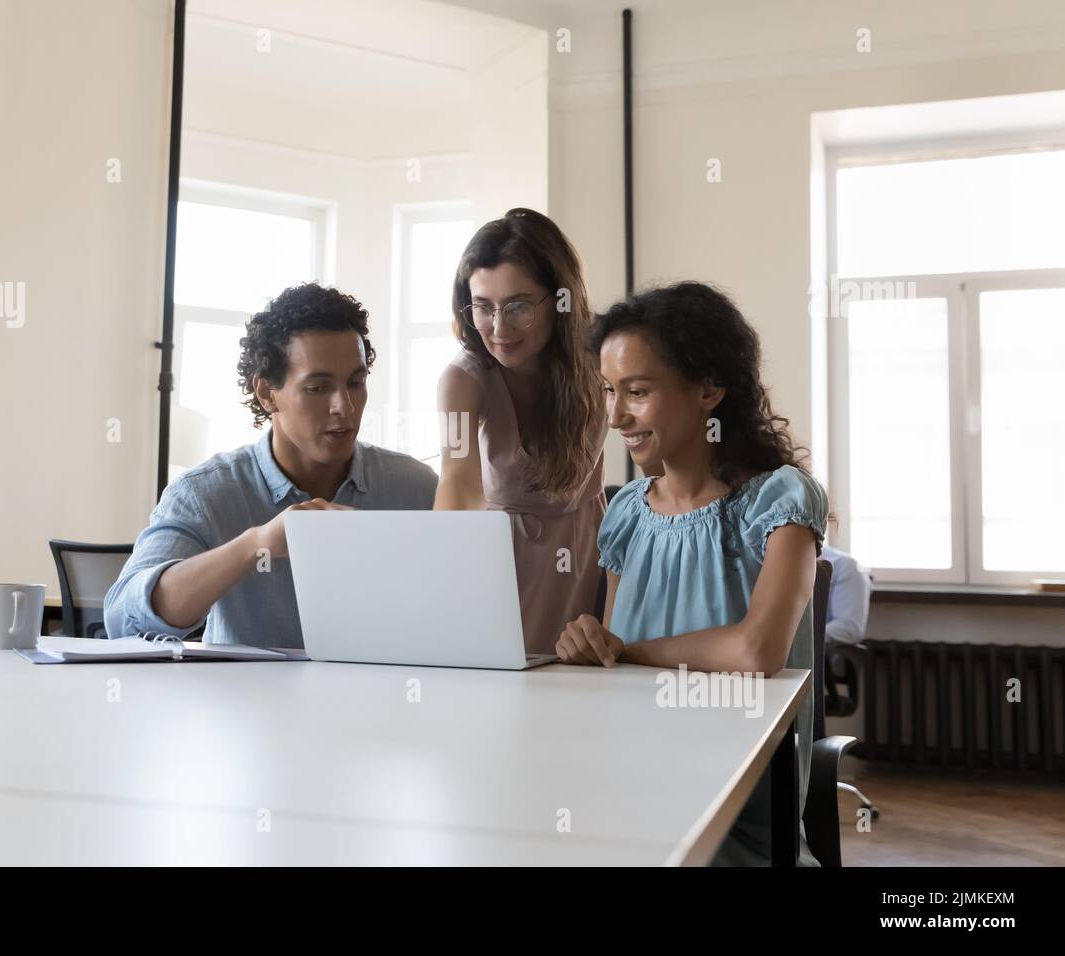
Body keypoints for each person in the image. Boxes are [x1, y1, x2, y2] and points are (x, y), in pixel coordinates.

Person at [556, 281, 829, 866]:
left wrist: (626, 652)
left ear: (709, 389)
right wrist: (589, 645)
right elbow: (611, 656)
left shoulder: (781, 501)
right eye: (608, 392)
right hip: (629, 791)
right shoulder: (626, 512)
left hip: (732, 815)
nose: (615, 415)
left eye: (637, 391)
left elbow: (757, 652)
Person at [105, 283, 437, 646]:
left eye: (356, 382)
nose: (345, 406)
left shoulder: (418, 488)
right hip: (248, 703)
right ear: (266, 394)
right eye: (317, 388)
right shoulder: (204, 494)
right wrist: (255, 544)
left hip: (381, 700)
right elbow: (124, 622)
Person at [434, 208, 606, 655]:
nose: (498, 328)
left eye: (518, 307)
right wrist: (444, 593)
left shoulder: (601, 353)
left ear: (560, 300)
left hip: (590, 553)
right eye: (482, 307)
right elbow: (456, 483)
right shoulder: (462, 381)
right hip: (504, 568)